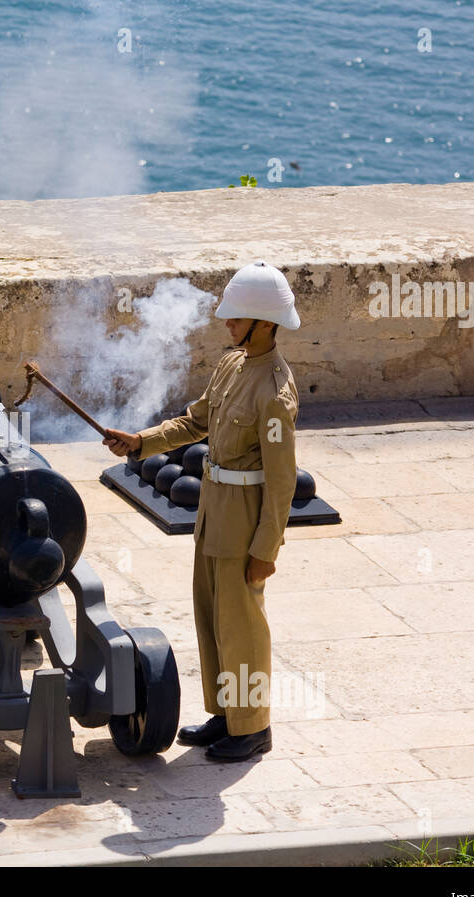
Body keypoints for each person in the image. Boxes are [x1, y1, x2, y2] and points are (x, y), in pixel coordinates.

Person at [103, 262, 300, 761]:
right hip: (215, 510)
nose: (228, 324)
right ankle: (226, 715)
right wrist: (141, 442)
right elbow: (197, 422)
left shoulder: (275, 394)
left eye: (238, 318)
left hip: (245, 519)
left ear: (265, 323)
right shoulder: (232, 365)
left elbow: (281, 482)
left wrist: (266, 548)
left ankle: (252, 728)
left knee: (243, 628)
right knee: (213, 620)